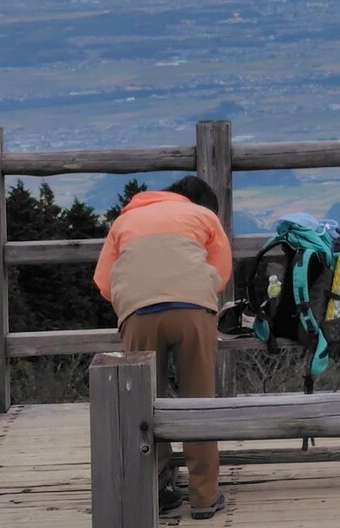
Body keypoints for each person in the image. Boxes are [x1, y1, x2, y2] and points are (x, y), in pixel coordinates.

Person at [95, 176, 232, 520]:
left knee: (142, 405)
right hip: (193, 309)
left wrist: (135, 302)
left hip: (138, 313)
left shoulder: (124, 221)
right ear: (200, 203)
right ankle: (204, 497)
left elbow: (104, 282)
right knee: (198, 401)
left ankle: (155, 490)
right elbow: (221, 271)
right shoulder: (205, 217)